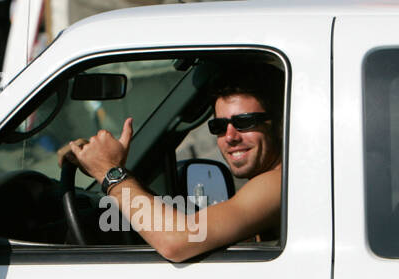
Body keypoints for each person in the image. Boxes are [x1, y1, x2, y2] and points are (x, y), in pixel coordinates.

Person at [61, 70, 283, 262]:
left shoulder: (279, 183)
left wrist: (108, 172)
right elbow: (173, 227)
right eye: (219, 126)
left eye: (245, 122)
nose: (230, 136)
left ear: (280, 124)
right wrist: (109, 167)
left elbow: (177, 240)